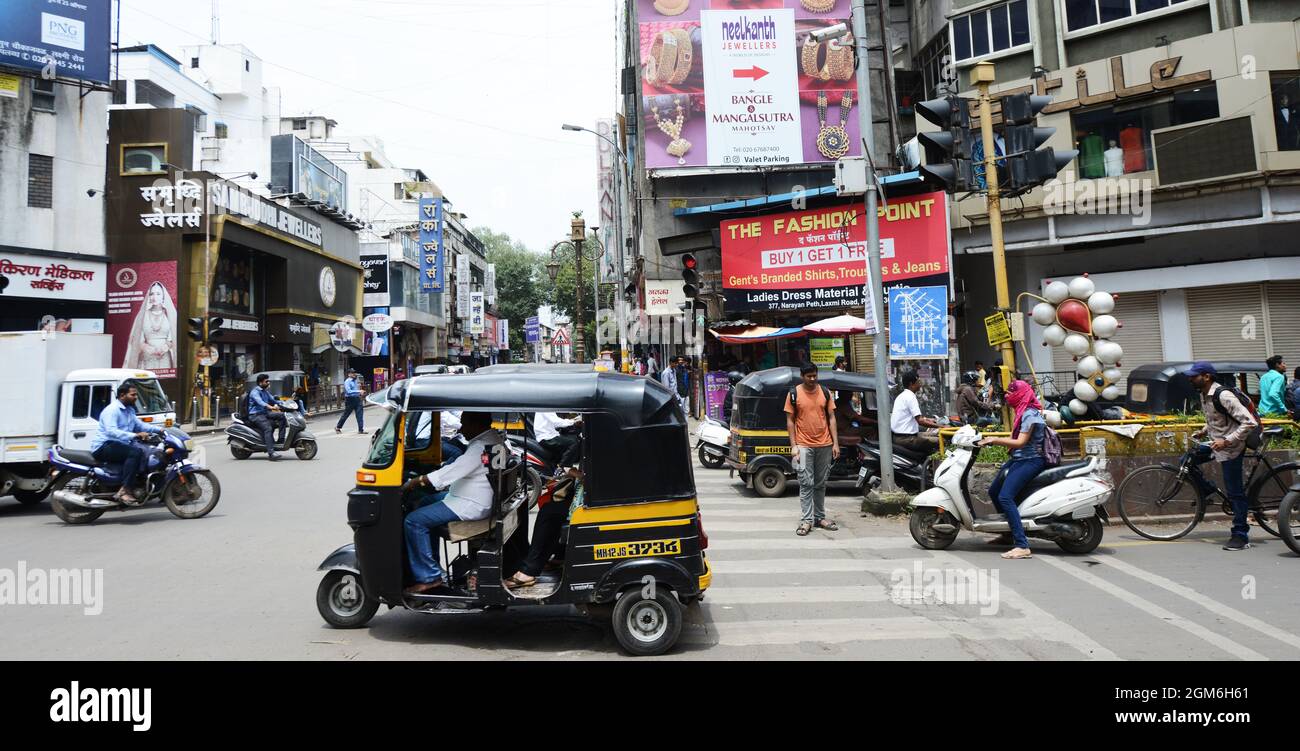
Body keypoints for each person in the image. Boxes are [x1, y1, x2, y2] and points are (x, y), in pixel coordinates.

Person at [401, 412, 505, 594]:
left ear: (477, 424)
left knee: (413, 520)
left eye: (465, 424)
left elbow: (452, 472)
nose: (462, 429)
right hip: (476, 496)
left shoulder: (479, 447)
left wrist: (416, 481)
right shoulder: (494, 439)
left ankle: (429, 577)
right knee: (424, 503)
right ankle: (431, 565)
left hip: (470, 502)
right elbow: (462, 466)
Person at [1186, 362, 1259, 551]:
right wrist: (1204, 430)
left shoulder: (1223, 395)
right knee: (1186, 462)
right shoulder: (1204, 394)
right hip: (1215, 443)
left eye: (1194, 376)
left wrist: (1226, 441)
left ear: (1207, 377)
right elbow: (1217, 418)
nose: (1190, 379)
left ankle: (1241, 536)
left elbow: (1249, 422)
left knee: (1235, 492)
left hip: (1232, 447)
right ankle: (1206, 491)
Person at [979, 380, 1046, 560]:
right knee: (994, 491)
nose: (1008, 395)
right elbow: (1013, 438)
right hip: (1019, 458)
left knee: (1005, 496)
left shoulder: (1029, 415)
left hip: (1031, 460)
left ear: (1021, 394)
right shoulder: (1021, 412)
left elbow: (1020, 442)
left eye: (1011, 392)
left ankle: (1022, 545)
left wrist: (994, 440)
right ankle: (1008, 533)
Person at [505, 467, 583, 588]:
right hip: (582, 495)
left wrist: (576, 474)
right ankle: (558, 555)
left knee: (549, 513)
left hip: (589, 501)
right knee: (551, 508)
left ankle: (529, 570)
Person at [785, 363, 839, 536]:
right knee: (806, 483)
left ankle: (820, 517)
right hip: (803, 445)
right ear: (802, 376)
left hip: (825, 444)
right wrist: (794, 446)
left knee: (820, 483)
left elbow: (832, 418)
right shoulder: (794, 394)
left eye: (815, 375)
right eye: (809, 376)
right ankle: (807, 520)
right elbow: (790, 421)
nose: (813, 379)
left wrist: (835, 443)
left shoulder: (825, 392)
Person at [91, 382, 165, 503]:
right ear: (122, 395)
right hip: (104, 445)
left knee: (147, 451)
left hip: (119, 444)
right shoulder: (112, 410)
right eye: (133, 395)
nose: (136, 397)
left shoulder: (129, 410)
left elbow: (139, 425)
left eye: (136, 395)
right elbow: (111, 431)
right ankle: (125, 490)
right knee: (135, 453)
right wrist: (135, 435)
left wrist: (160, 430)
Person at [122, 281, 177, 372]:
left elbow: (174, 336)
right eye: (152, 294)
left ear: (163, 296)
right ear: (149, 296)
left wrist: (164, 348)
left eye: (158, 294)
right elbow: (138, 337)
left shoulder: (169, 314)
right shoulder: (143, 315)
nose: (155, 297)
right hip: (147, 357)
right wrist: (149, 349)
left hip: (164, 357)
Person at [891, 370, 940, 454]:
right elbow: (920, 421)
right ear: (911, 384)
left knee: (932, 434)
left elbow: (913, 416)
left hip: (901, 437)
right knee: (941, 441)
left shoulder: (902, 396)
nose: (920, 384)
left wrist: (929, 419)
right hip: (907, 439)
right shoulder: (910, 397)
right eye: (918, 382)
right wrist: (941, 426)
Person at [247, 373, 287, 460]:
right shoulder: (255, 392)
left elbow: (273, 399)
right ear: (261, 383)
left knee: (282, 416)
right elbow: (260, 402)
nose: (268, 383)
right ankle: (271, 453)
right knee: (267, 428)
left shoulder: (265, 391)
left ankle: (281, 440)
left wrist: (286, 403)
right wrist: (271, 407)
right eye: (266, 381)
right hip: (255, 415)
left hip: (265, 413)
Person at [335, 369, 366, 434]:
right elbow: (348, 391)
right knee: (346, 414)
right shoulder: (347, 381)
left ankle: (361, 430)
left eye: (354, 373)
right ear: (349, 374)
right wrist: (359, 391)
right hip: (350, 400)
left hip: (357, 399)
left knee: (360, 415)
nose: (354, 374)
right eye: (352, 373)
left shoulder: (355, 381)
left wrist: (360, 393)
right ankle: (338, 427)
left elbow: (355, 390)